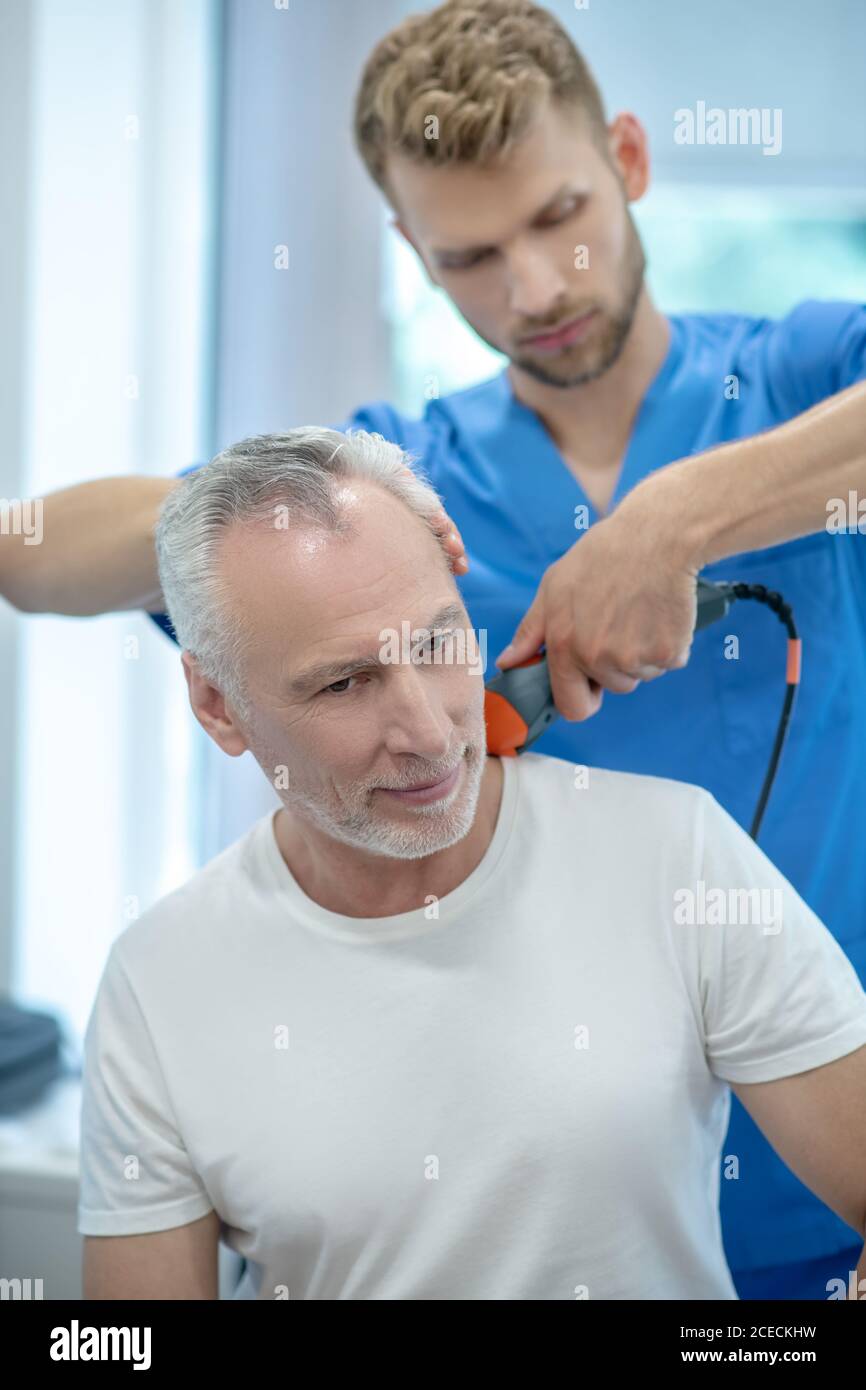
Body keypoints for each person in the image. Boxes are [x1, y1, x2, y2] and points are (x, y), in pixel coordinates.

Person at [3, 0, 865, 1296]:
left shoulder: (795, 383)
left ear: (628, 160)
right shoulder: (410, 492)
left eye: (558, 217)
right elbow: (29, 553)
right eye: (467, 255)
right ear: (410, 249)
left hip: (812, 1194)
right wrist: (263, 523)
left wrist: (675, 520)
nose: (532, 290)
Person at [78, 428, 866, 1301]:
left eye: (439, 643)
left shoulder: (677, 859)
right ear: (217, 705)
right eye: (345, 684)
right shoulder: (160, 983)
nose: (428, 733)